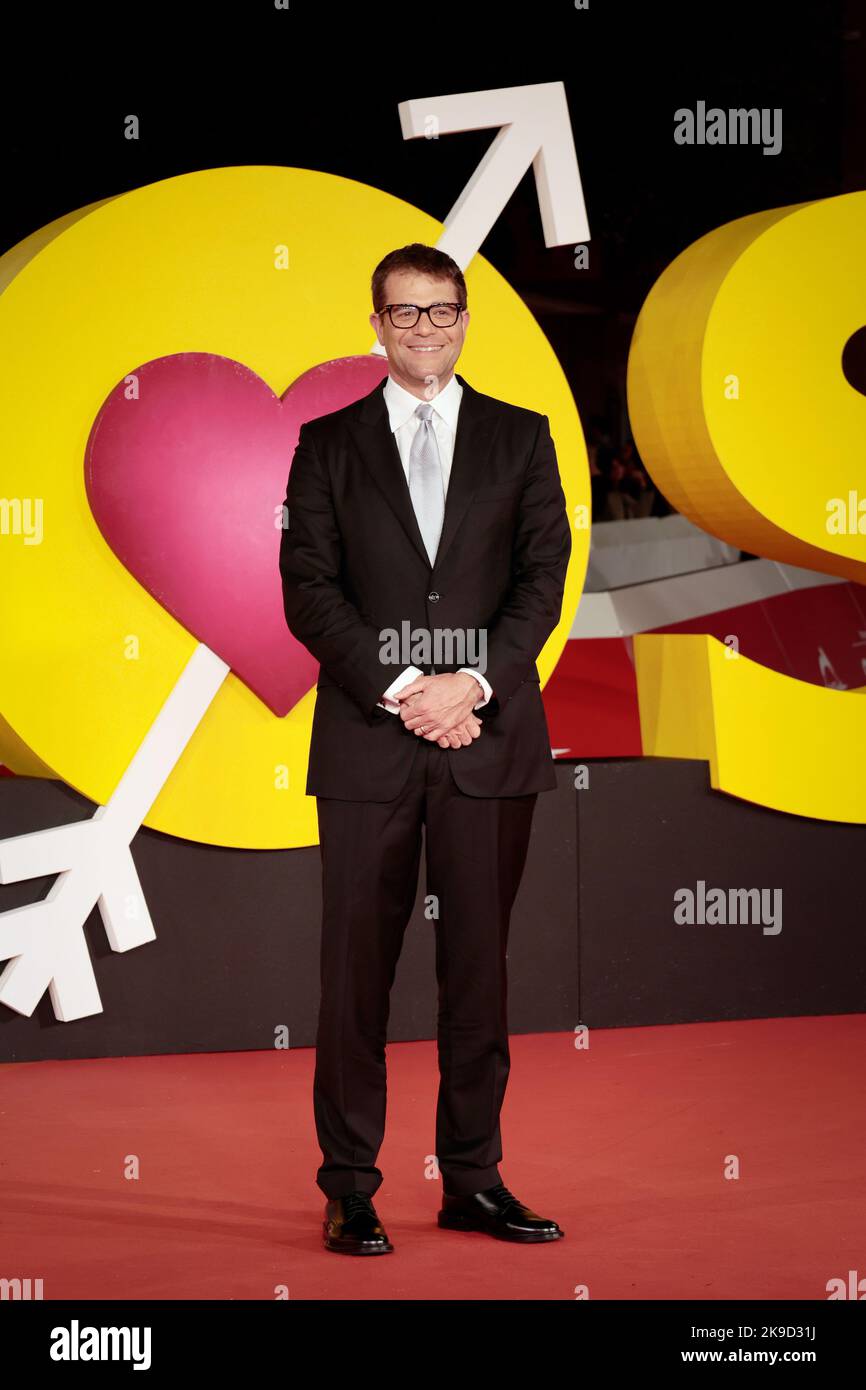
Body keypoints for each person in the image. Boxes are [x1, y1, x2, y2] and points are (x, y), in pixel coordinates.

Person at [279, 242, 571, 1255]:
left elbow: (542, 578)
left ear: (463, 320)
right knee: (352, 975)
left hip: (487, 744)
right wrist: (407, 689)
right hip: (368, 744)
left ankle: (473, 1179)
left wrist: (472, 684)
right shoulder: (326, 445)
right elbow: (308, 590)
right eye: (404, 314)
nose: (424, 330)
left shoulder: (520, 438)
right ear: (375, 325)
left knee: (476, 972)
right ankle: (350, 1186)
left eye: (441, 312)